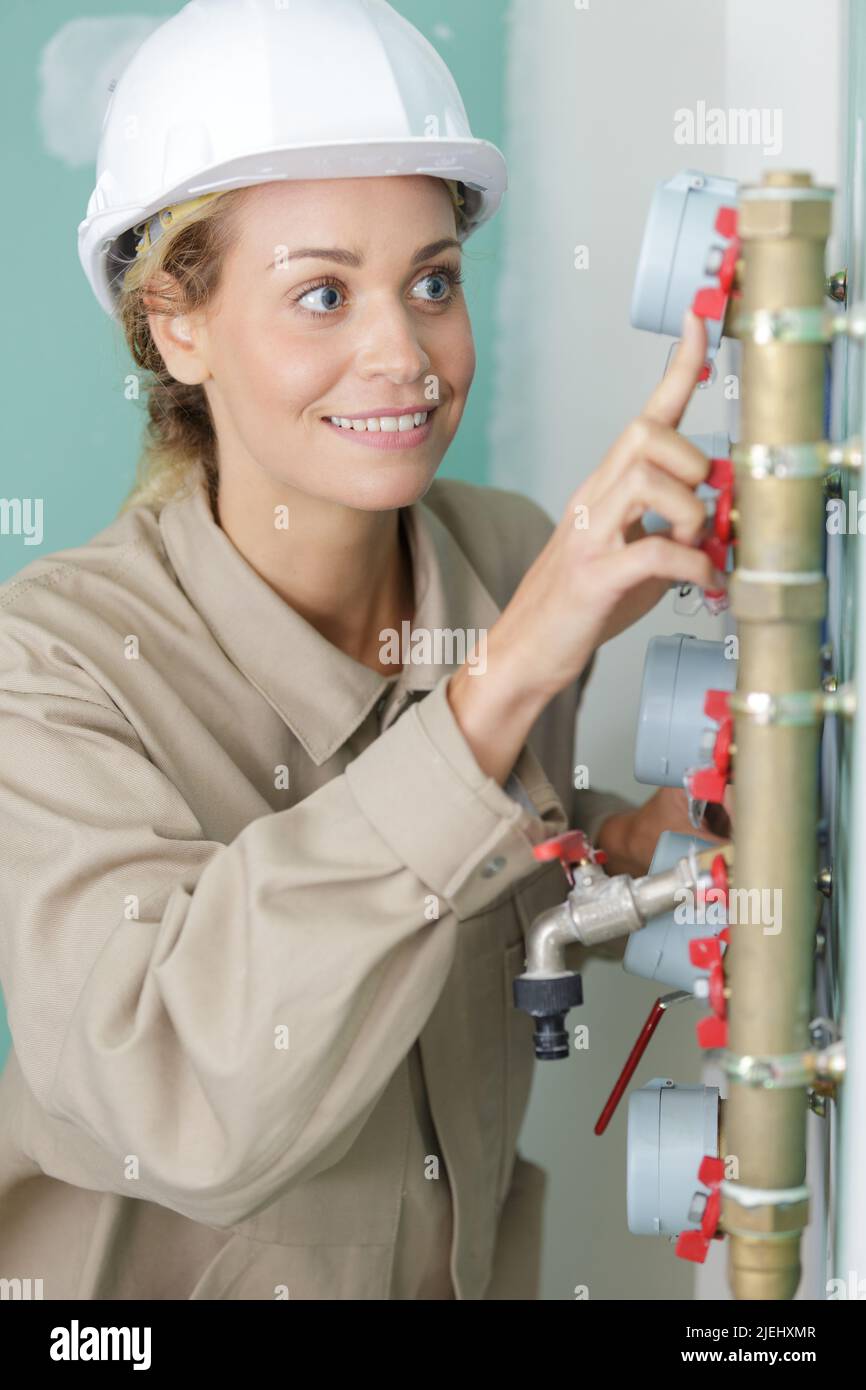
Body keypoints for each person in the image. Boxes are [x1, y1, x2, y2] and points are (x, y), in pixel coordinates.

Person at [0, 0, 727, 1300]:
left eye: (433, 282)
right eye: (322, 294)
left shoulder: (504, 553)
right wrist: (508, 670)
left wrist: (619, 851)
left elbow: (472, 875)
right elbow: (178, 1097)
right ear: (175, 324)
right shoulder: (54, 667)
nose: (404, 355)